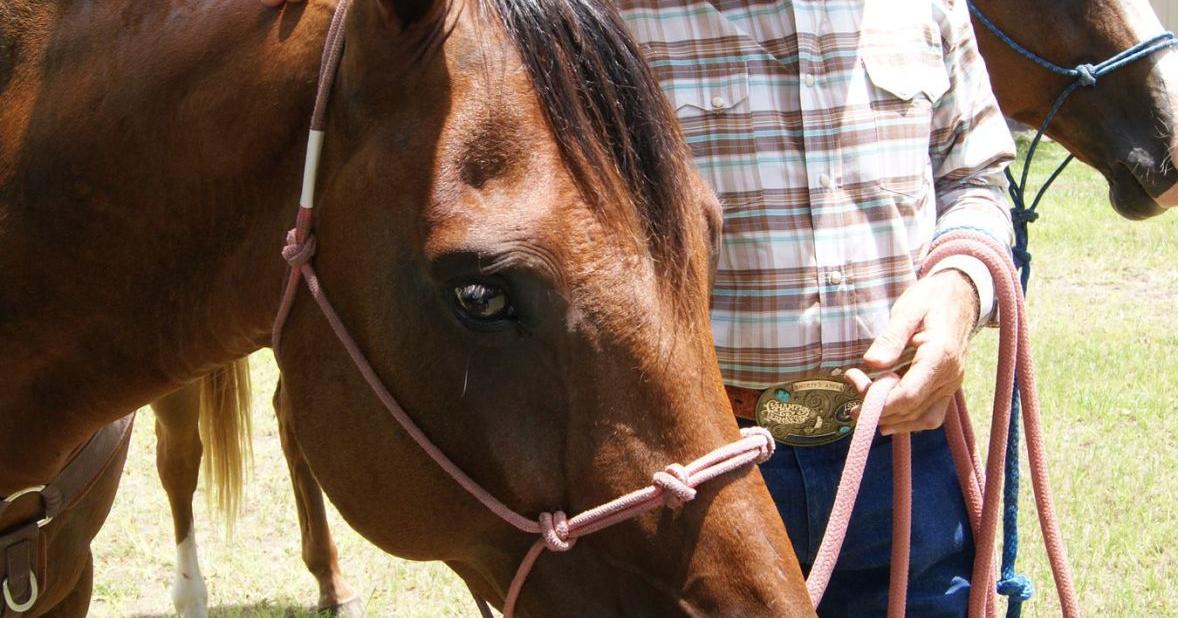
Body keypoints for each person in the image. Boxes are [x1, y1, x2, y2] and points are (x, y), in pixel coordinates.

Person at [263, 0, 1014, 614]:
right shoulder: (591, 11)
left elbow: (975, 175)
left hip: (903, 460)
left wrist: (960, 286)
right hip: (682, 479)